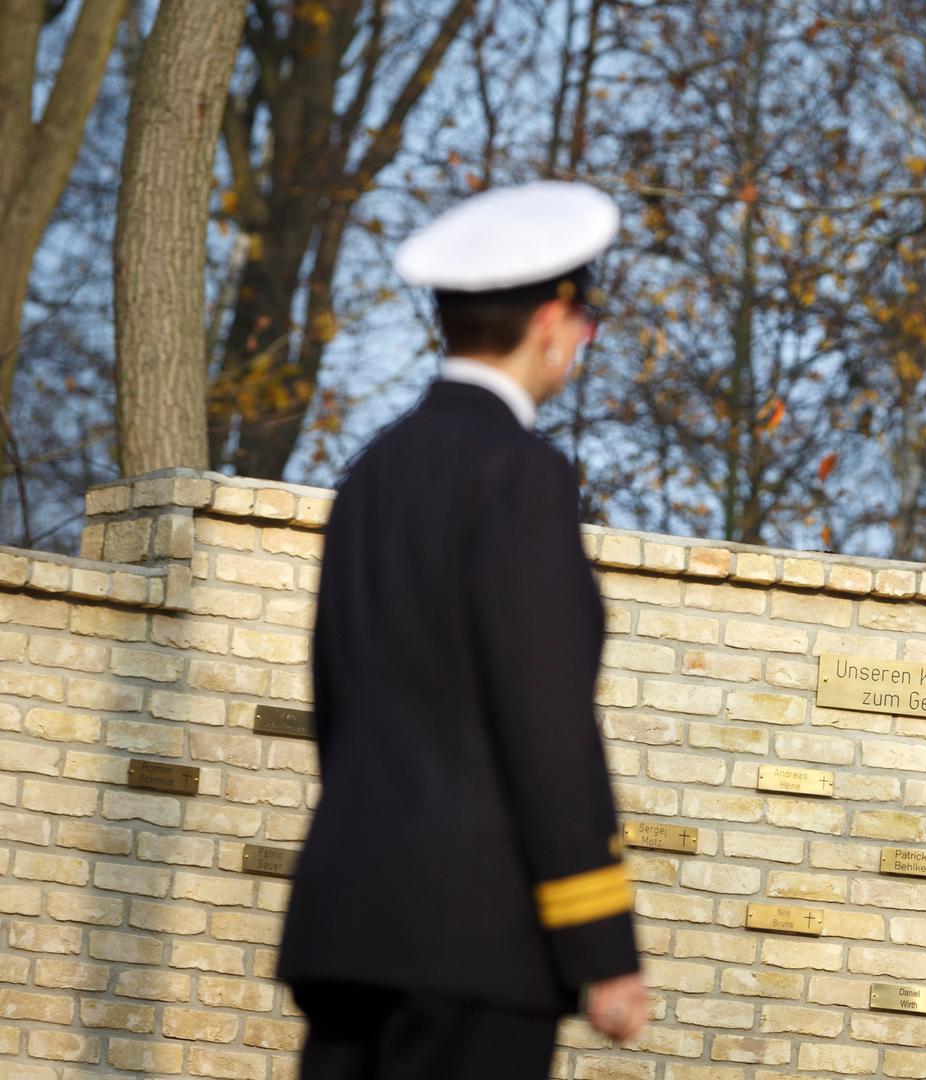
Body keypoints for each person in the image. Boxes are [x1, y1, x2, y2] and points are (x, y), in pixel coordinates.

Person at [279, 181, 648, 1080]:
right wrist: (601, 945)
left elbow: (339, 708)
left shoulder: (372, 472)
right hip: (473, 947)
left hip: (348, 924)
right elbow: (546, 723)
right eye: (583, 316)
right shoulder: (522, 477)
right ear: (555, 321)